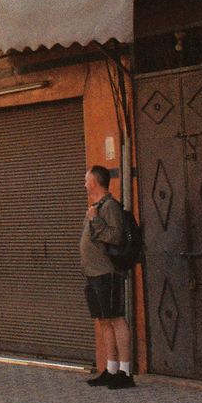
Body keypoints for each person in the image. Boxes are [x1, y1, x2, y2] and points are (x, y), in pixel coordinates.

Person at [82, 164, 136, 389]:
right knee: (104, 321)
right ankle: (111, 368)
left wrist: (95, 219)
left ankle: (125, 371)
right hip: (93, 273)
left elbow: (116, 236)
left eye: (86, 179)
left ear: (94, 181)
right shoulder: (96, 206)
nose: (84, 183)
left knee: (116, 318)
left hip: (107, 272)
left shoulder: (110, 206)